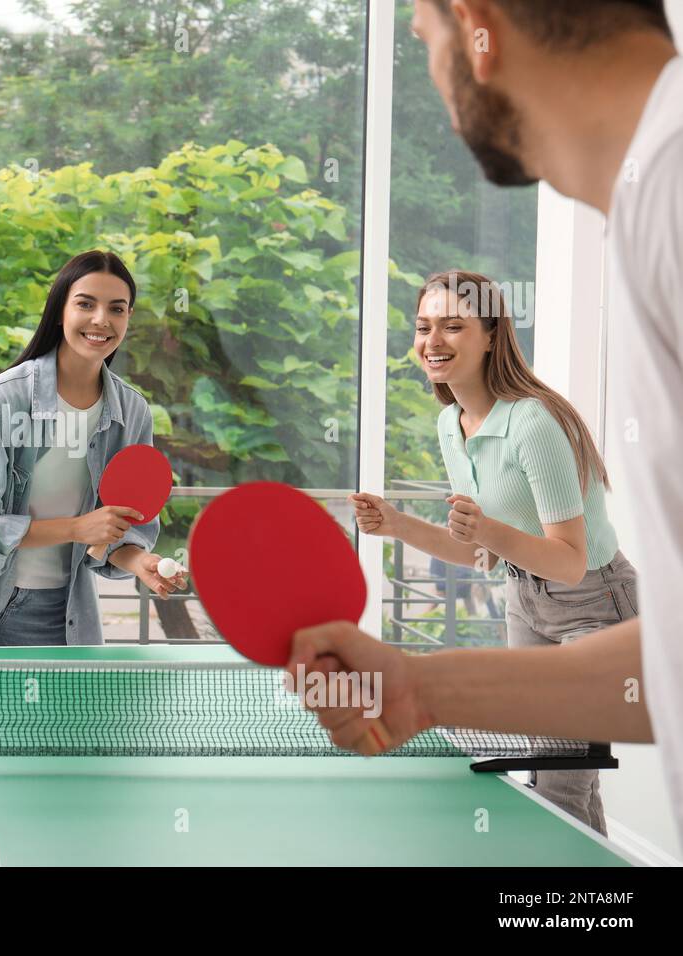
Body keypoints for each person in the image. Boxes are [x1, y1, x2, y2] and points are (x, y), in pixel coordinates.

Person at [290, 0, 683, 841]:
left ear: (477, 26)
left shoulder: (673, 193)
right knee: (550, 783)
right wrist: (422, 688)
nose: (430, 68)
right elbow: (671, 660)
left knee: (565, 794)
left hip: (575, 594)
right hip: (533, 602)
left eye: (424, 36)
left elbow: (575, 566)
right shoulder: (650, 201)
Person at [352, 269, 637, 832]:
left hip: (594, 605)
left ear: (490, 336)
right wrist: (397, 524)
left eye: (453, 326)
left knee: (556, 784)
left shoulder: (534, 422)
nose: (433, 341)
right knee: (566, 778)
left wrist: (487, 532)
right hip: (523, 599)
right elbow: (478, 554)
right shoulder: (449, 424)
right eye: (423, 326)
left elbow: (569, 559)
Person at [0, 250, 186, 647]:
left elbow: (115, 535)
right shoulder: (6, 398)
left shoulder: (133, 413)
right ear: (60, 311)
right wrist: (75, 529)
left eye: (117, 309)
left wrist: (142, 562)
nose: (101, 320)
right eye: (85, 304)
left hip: (62, 612)